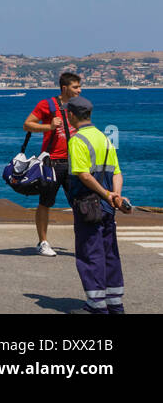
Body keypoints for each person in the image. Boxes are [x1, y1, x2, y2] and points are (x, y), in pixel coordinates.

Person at [64, 96, 129, 313]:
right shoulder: (105, 139)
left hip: (87, 205)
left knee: (89, 252)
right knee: (109, 252)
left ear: (71, 115)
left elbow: (83, 175)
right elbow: (117, 173)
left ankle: (96, 305)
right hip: (110, 207)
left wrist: (104, 194)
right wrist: (115, 196)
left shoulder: (77, 140)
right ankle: (114, 302)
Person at [23, 71, 82, 256]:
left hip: (75, 162)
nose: (79, 90)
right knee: (45, 203)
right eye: (75, 87)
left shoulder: (79, 106)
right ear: (64, 88)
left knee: (80, 204)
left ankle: (84, 243)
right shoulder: (47, 105)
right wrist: (48, 127)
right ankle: (43, 242)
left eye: (80, 86)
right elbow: (27, 124)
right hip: (53, 163)